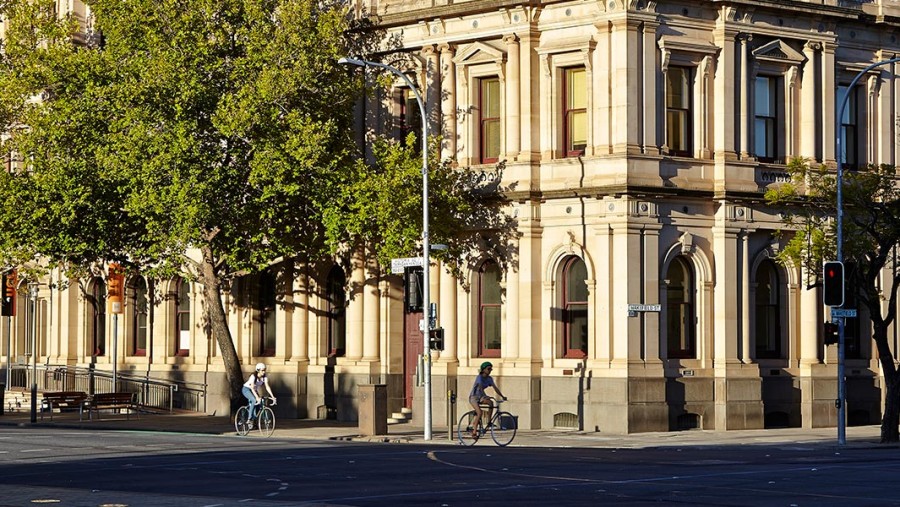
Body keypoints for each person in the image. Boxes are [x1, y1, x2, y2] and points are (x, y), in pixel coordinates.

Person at [468, 361, 506, 438]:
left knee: (491, 403)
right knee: (479, 412)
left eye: (491, 369)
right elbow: (480, 387)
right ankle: (474, 431)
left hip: (481, 397)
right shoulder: (479, 377)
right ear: (483, 369)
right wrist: (485, 396)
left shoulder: (489, 379)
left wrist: (502, 396)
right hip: (474, 397)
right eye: (488, 369)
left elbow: (495, 388)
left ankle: (489, 422)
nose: (490, 371)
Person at [242, 363, 276, 428]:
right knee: (254, 400)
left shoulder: (264, 377)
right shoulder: (253, 376)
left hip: (254, 390)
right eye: (262, 370)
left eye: (265, 370)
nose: (264, 372)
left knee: (260, 402)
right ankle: (249, 418)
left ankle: (256, 419)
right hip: (246, 389)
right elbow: (252, 388)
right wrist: (257, 397)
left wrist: (272, 396)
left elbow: (267, 387)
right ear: (258, 370)